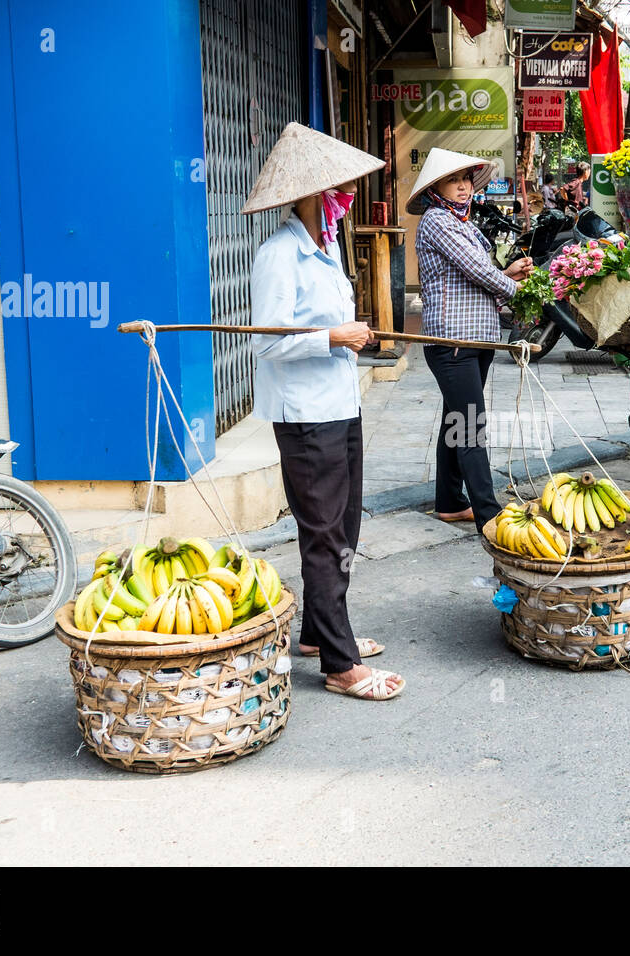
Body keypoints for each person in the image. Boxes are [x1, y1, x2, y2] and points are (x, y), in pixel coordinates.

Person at [243, 122, 405, 701]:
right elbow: (266, 341)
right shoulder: (279, 254)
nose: (348, 195)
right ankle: (340, 662)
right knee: (323, 533)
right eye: (339, 187)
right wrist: (332, 336)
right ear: (314, 193)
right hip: (305, 414)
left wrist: (341, 337)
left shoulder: (327, 247)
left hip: (340, 404)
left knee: (346, 526)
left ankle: (317, 631)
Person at [408, 148, 533, 532]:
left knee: (456, 419)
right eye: (453, 180)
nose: (462, 187)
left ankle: (449, 502)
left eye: (465, 179)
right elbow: (478, 271)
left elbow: (479, 282)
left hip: (477, 339)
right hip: (453, 342)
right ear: (436, 189)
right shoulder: (437, 221)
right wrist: (516, 288)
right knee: (471, 425)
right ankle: (489, 514)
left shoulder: (464, 224)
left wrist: (508, 273)